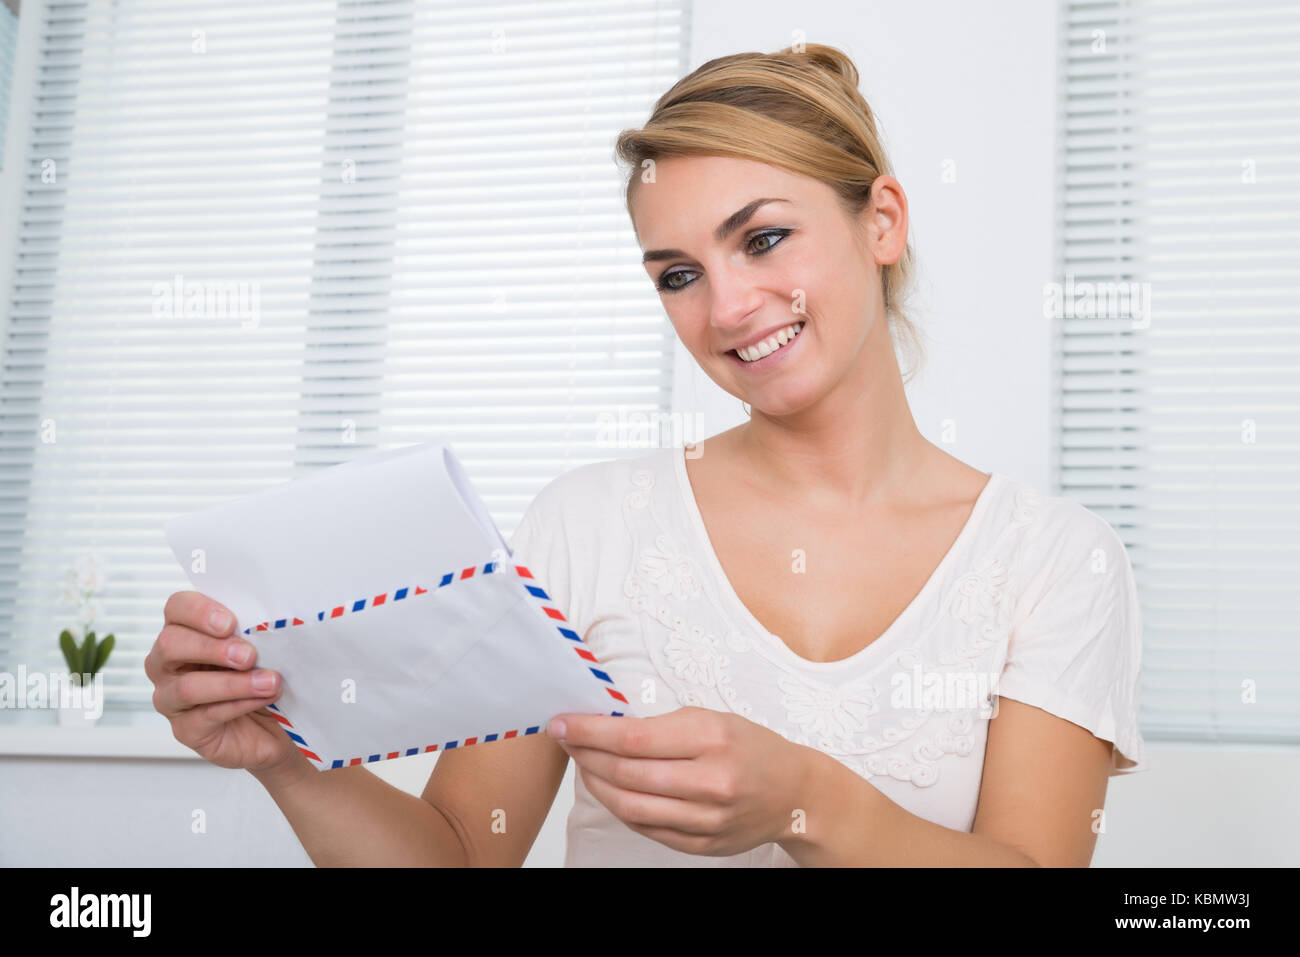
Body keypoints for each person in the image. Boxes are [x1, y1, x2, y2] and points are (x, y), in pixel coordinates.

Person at [145, 42, 1145, 867]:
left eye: (761, 240)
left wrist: (806, 802)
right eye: (677, 274)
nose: (726, 307)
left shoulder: (1054, 560)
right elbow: (458, 854)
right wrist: (288, 757)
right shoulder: (588, 525)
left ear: (880, 221)